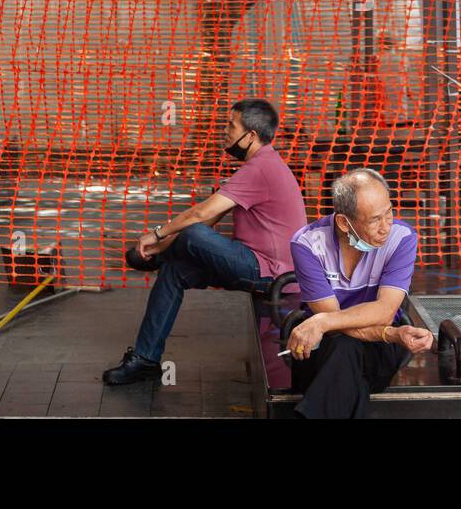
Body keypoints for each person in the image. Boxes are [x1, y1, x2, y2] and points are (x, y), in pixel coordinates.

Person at [104, 98, 308, 386]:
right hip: (254, 262)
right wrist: (162, 246)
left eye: (231, 125)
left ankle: (156, 257)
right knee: (175, 271)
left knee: (193, 234)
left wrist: (157, 235)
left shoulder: (261, 168)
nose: (224, 131)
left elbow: (202, 214)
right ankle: (145, 359)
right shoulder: (260, 164)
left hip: (273, 274)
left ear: (250, 136)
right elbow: (212, 216)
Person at [285, 168, 434, 419]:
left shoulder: (402, 238)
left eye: (390, 213)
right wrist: (392, 333)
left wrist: (322, 321)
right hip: (324, 346)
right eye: (375, 219)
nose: (386, 226)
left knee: (345, 351)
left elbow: (384, 311)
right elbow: (336, 325)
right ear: (344, 222)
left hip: (376, 350)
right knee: (343, 349)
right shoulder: (307, 243)